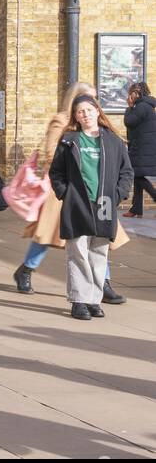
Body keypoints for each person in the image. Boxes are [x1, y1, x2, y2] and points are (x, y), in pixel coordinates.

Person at [12, 80, 128, 304]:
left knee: (100, 236)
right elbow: (51, 155)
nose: (92, 103)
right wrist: (65, 189)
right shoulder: (62, 122)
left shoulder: (99, 129)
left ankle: (103, 283)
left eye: (94, 100)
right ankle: (26, 269)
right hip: (67, 193)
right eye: (88, 98)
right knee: (47, 236)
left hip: (96, 191)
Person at [49, 94, 133, 320]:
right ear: (76, 116)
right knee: (78, 253)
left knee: (98, 254)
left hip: (104, 204)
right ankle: (79, 300)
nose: (85, 114)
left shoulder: (114, 142)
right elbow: (56, 172)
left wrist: (118, 194)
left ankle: (94, 300)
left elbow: (126, 173)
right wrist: (66, 193)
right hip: (77, 204)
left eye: (88, 110)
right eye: (80, 111)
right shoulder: (69, 140)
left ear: (97, 111)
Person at [122, 81, 156, 217]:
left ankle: (142, 204)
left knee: (137, 175)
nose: (129, 96)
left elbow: (129, 121)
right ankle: (136, 209)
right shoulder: (145, 106)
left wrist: (129, 107)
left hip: (142, 147)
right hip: (142, 146)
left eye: (131, 93)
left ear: (136, 93)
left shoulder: (141, 107)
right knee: (137, 176)